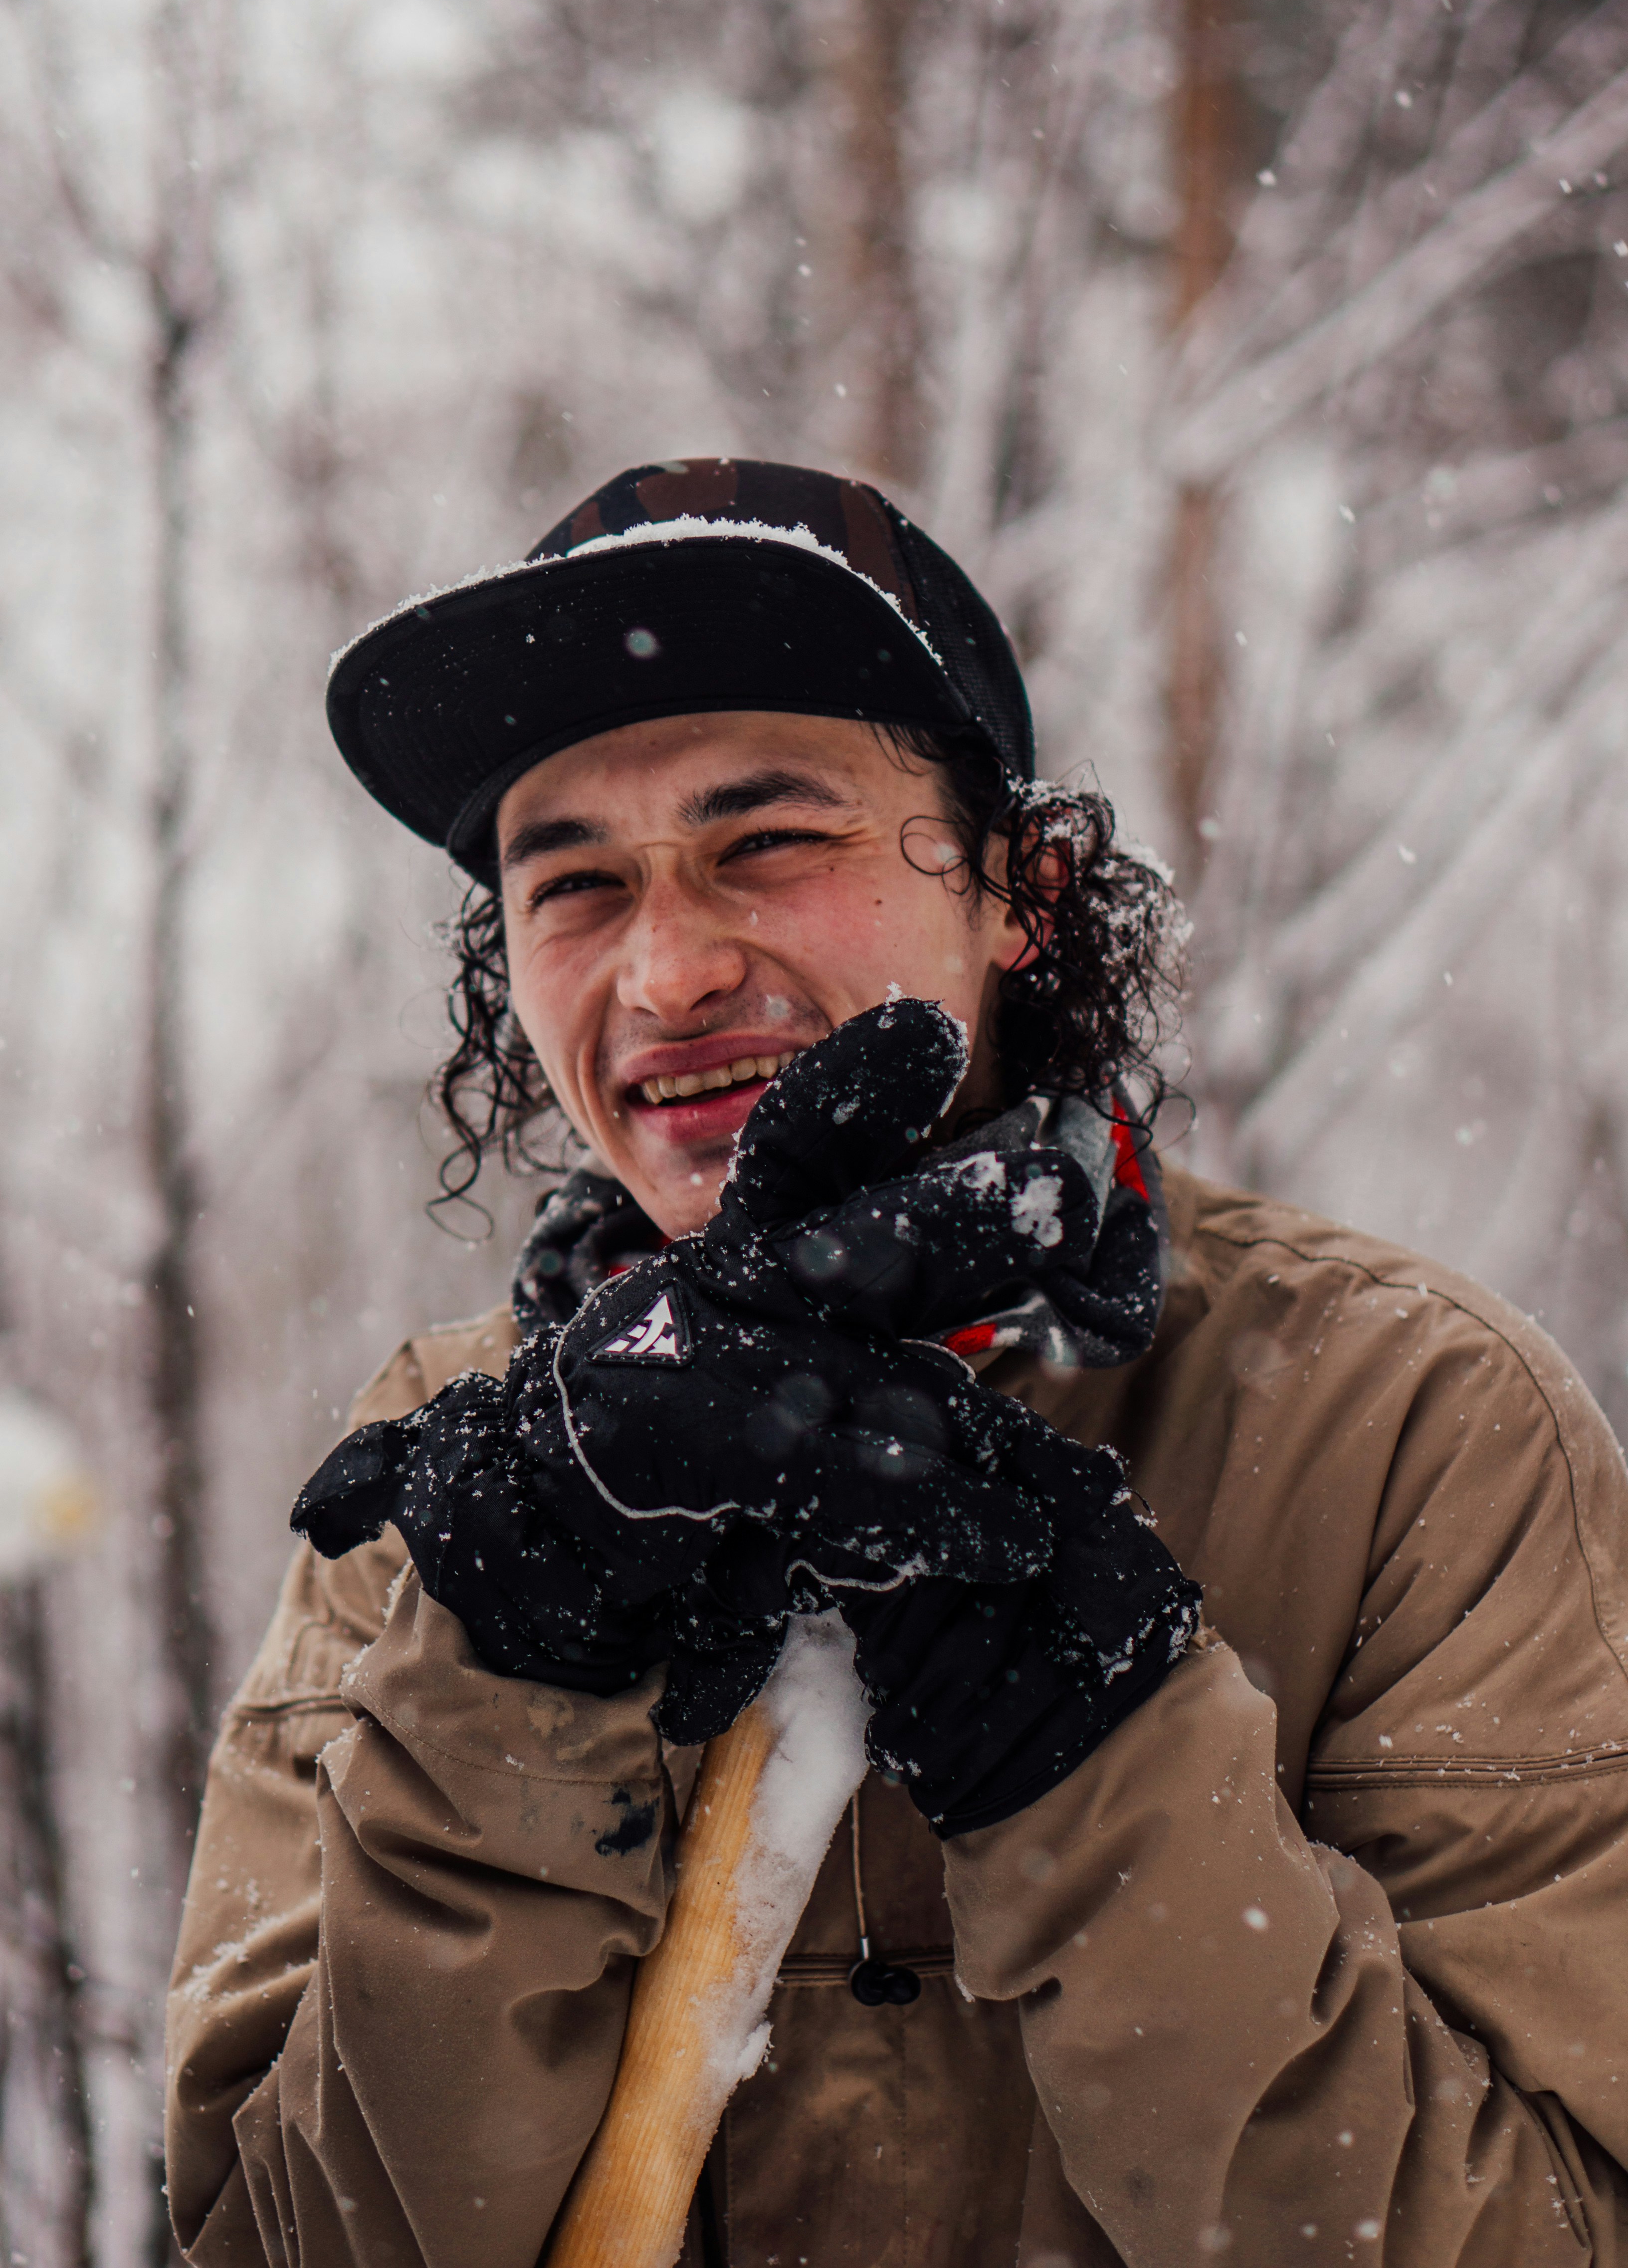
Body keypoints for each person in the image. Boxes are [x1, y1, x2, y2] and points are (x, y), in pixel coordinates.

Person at [165, 458, 1628, 2268]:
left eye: (769, 841)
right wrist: (516, 1672)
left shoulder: (1404, 1424)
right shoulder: (440, 1484)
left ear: (1022, 884)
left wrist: (1081, 1728)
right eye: (576, 886)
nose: (671, 965)